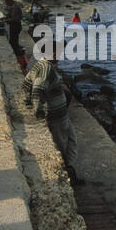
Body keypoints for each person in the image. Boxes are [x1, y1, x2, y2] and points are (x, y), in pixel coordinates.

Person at [22, 39, 82, 185]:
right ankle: (68, 178)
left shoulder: (43, 64)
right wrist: (41, 115)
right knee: (63, 147)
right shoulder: (46, 68)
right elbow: (37, 91)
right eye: (60, 52)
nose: (61, 55)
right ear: (53, 53)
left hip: (61, 115)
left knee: (71, 141)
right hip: (55, 117)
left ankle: (71, 172)